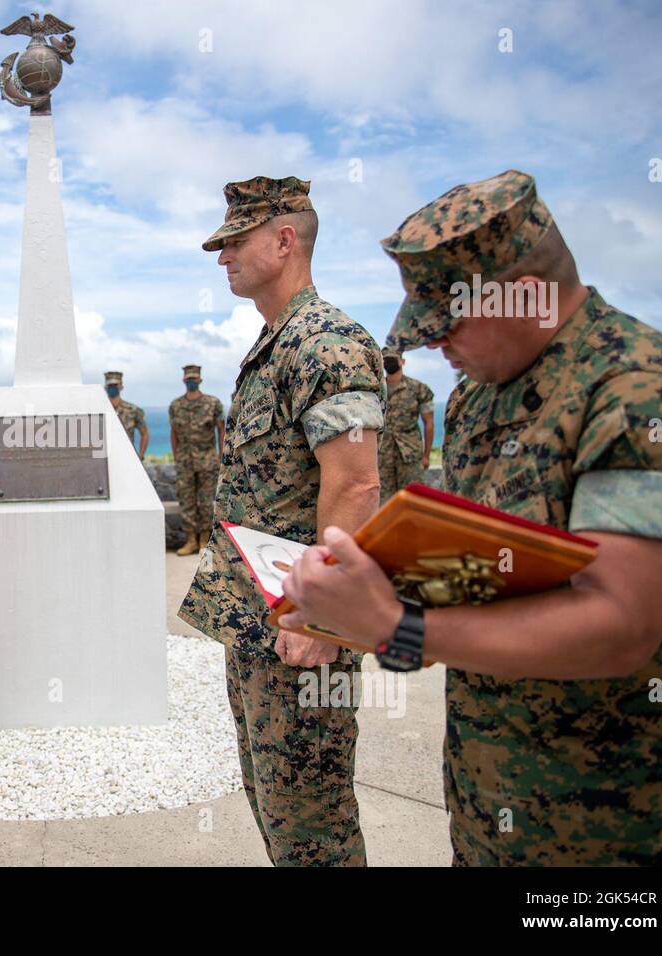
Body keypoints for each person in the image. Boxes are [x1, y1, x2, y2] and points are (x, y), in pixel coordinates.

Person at [278, 169, 662, 865]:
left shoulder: (647, 394)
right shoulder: (479, 400)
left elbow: (622, 625)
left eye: (448, 322)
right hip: (491, 804)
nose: (432, 345)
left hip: (620, 830)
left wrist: (397, 628)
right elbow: (481, 565)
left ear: (528, 296)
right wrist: (352, 596)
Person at [177, 175, 383, 866]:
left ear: (284, 239)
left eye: (235, 241)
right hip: (261, 626)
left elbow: (355, 483)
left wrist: (321, 621)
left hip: (302, 632)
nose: (222, 257)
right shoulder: (277, 345)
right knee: (276, 805)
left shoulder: (326, 343)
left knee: (312, 827)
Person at [169, 364, 224, 556]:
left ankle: (204, 540)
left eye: (194, 379)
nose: (191, 382)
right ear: (184, 381)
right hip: (185, 461)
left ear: (200, 380)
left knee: (206, 501)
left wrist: (221, 455)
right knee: (187, 500)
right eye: (188, 379)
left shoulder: (213, 403)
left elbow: (221, 429)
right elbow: (174, 433)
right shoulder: (176, 405)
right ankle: (191, 540)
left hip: (207, 460)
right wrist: (176, 457)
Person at [378, 348, 435, 500]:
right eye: (386, 360)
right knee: (383, 502)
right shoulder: (376, 390)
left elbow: (428, 423)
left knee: (414, 499)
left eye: (392, 359)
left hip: (410, 454)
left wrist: (426, 456)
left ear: (402, 362)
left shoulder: (419, 389)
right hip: (382, 456)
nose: (389, 363)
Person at [104, 371, 149, 459]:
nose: (112, 387)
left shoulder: (133, 410)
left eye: (115, 385)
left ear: (121, 387)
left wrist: (140, 456)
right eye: (110, 385)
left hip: (127, 458)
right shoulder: (100, 410)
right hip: (106, 458)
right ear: (105, 387)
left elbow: (144, 434)